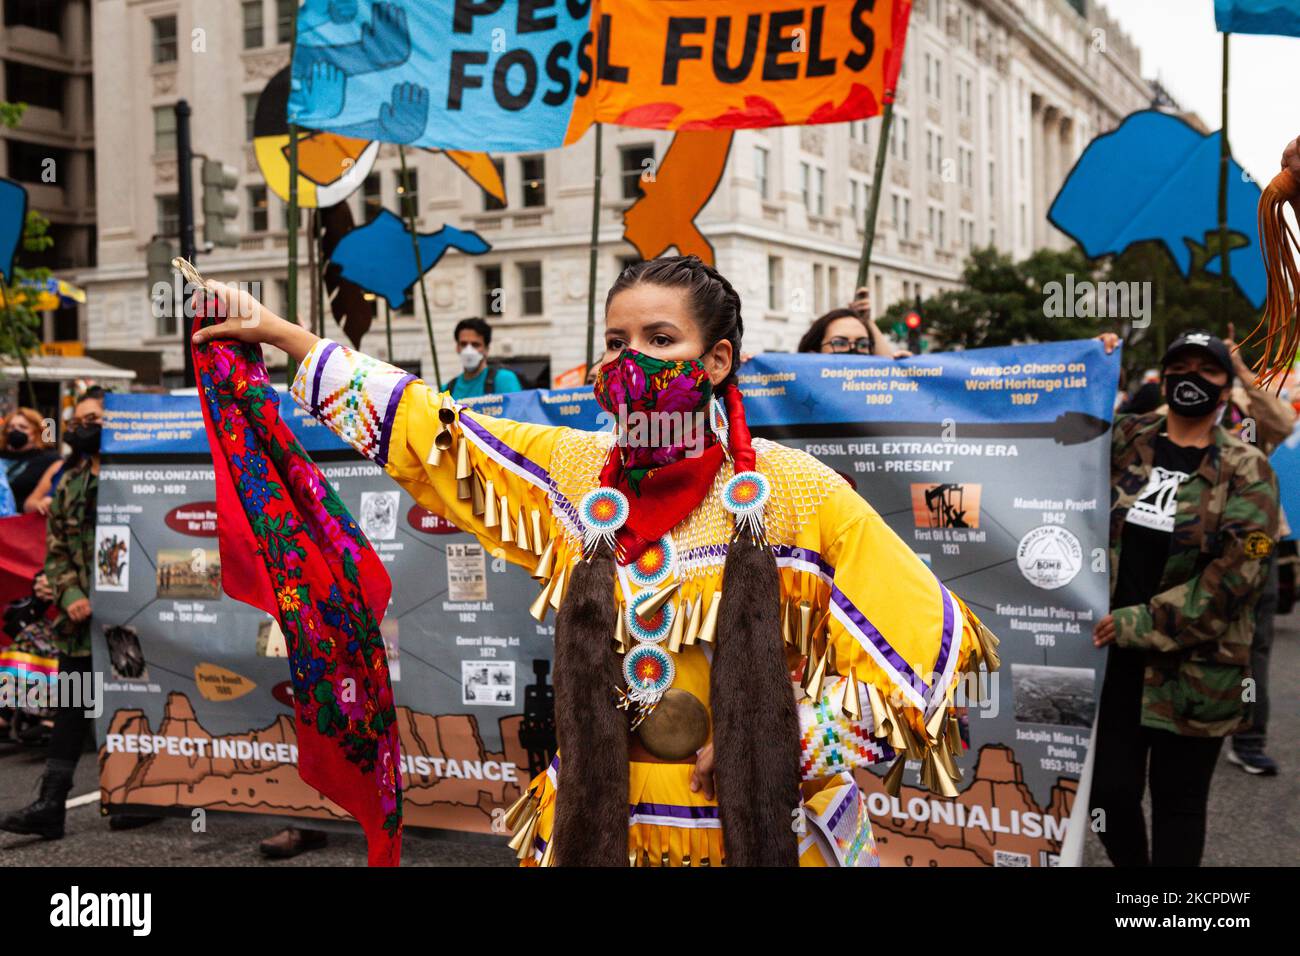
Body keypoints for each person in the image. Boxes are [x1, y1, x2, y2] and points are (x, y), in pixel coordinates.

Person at [193, 254, 996, 867]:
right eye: (616, 342)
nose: (629, 360)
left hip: (762, 823)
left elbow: (929, 656)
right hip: (604, 820)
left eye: (659, 340)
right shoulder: (574, 472)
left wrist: (787, 736)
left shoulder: (792, 490)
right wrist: (278, 335)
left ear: (714, 362)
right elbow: (431, 430)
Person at [1090, 330, 1279, 867]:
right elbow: (1056, 430)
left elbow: (1238, 576)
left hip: (1199, 671)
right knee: (1109, 794)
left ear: (1225, 389)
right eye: (1180, 366)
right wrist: (1094, 360)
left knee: (1179, 804)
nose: (1190, 378)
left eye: (1207, 370)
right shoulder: (1126, 437)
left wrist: (1139, 621)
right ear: (1164, 374)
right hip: (1116, 664)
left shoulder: (1247, 467)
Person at [0, 388, 156, 839]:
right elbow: (58, 549)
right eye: (79, 419)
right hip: (80, 621)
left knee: (134, 701)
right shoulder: (70, 482)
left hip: (131, 620)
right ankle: (51, 804)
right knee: (71, 705)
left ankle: (138, 794)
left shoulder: (140, 479)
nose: (83, 427)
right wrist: (70, 596)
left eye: (94, 419)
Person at [1220, 323, 1296, 776]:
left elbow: (1285, 423)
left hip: (1256, 538)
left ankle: (1248, 738)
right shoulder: (1180, 404)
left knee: (1256, 642)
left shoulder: (1250, 407)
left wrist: (1244, 376)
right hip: (1197, 539)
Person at [441, 317, 523, 400]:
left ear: (487, 349)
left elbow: (517, 410)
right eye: (463, 344)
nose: (469, 350)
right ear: (457, 347)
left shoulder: (504, 380)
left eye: (475, 344)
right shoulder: (446, 390)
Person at [1, 409, 61, 510]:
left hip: (23, 520)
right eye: (11, 427)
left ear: (36, 432)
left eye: (23, 427)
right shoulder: (2, 455)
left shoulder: (48, 459)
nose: (15, 431)